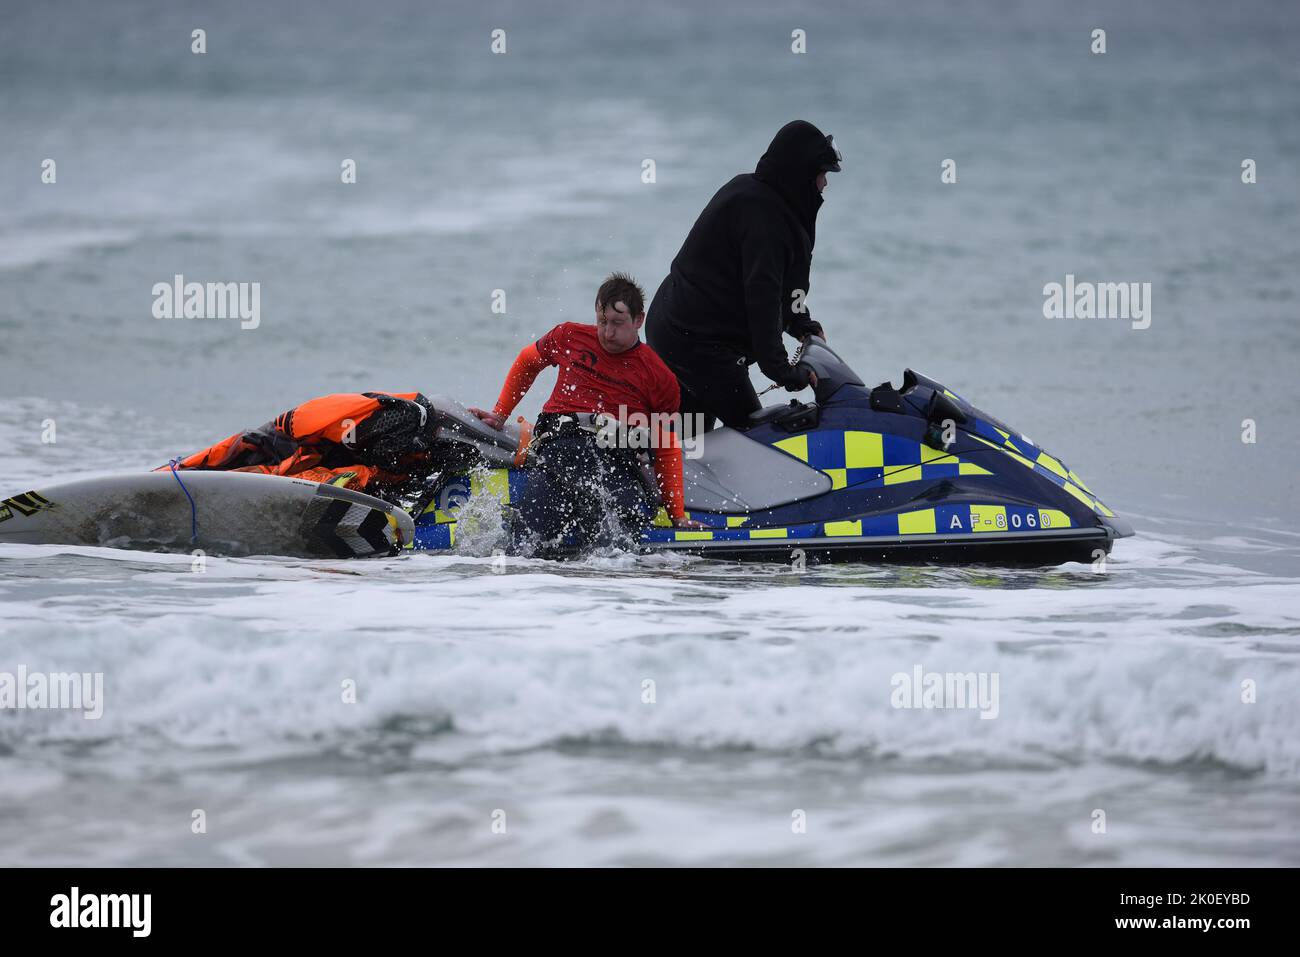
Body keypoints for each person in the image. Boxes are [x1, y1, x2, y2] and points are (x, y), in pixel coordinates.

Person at [470, 272, 701, 555]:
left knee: (619, 551)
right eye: (602, 322)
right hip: (560, 453)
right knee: (522, 549)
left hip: (614, 462)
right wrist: (500, 414)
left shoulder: (660, 377)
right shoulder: (569, 336)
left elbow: (666, 446)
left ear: (639, 320)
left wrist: (677, 515)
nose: (607, 333)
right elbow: (527, 362)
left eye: (618, 323)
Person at [646, 119, 842, 431]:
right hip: (695, 341)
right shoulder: (765, 219)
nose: (825, 185)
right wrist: (784, 373)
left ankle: (651, 478)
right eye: (822, 175)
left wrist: (802, 324)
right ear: (801, 174)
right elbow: (762, 302)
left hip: (675, 328)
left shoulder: (765, 200)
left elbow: (782, 289)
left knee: (692, 443)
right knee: (757, 433)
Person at [161, 391, 446, 503]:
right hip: (303, 434)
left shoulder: (413, 424)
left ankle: (170, 481)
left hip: (334, 440)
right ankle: (162, 479)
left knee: (265, 472)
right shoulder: (403, 420)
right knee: (235, 461)